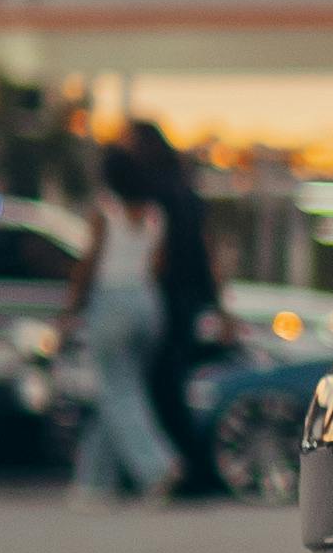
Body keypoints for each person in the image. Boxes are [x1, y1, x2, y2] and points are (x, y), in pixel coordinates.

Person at [57, 136, 180, 501]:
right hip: (148, 302)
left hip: (112, 301)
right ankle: (94, 481)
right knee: (120, 390)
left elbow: (89, 263)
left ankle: (157, 466)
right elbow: (158, 265)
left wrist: (71, 308)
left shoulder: (105, 211)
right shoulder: (155, 214)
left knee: (117, 390)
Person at [120, 115, 230, 498]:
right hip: (188, 299)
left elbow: (161, 254)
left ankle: (180, 468)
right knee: (171, 383)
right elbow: (206, 249)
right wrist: (217, 302)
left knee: (160, 385)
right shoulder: (183, 188)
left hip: (165, 297)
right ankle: (186, 466)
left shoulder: (152, 193)